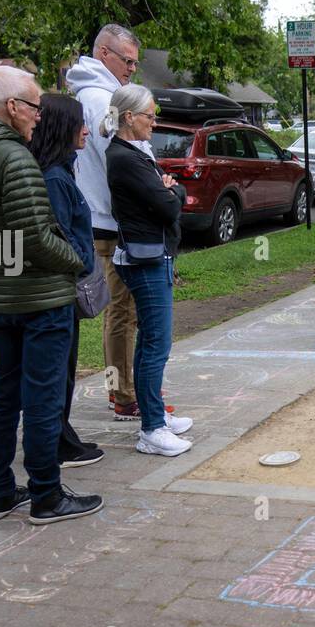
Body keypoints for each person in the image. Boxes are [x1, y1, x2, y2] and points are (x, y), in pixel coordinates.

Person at [0, 65, 102, 524]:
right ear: (12, 108)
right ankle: (47, 496)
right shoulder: (13, 158)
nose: (39, 116)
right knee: (43, 399)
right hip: (42, 301)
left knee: (4, 394)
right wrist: (77, 261)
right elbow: (34, 237)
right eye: (34, 106)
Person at [68, 24, 171, 423]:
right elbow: (122, 157)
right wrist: (156, 190)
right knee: (122, 312)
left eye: (134, 62)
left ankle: (129, 390)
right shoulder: (100, 99)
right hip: (110, 223)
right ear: (104, 54)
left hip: (109, 218)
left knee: (125, 311)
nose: (131, 68)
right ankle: (125, 394)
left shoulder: (96, 94)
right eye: (126, 60)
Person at [103, 83, 193, 457]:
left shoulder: (136, 152)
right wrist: (171, 192)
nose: (154, 123)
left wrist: (171, 190)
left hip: (153, 254)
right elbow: (170, 205)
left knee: (150, 344)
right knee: (157, 344)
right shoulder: (124, 156)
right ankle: (152, 429)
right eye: (149, 116)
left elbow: (171, 195)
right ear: (129, 118)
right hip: (145, 259)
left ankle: (154, 415)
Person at [29, 93, 104, 469]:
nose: (87, 130)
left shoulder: (62, 169)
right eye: (80, 123)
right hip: (59, 290)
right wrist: (82, 261)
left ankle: (62, 435)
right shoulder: (55, 178)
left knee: (64, 371)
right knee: (59, 372)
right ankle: (56, 444)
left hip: (62, 287)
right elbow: (58, 235)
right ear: (64, 128)